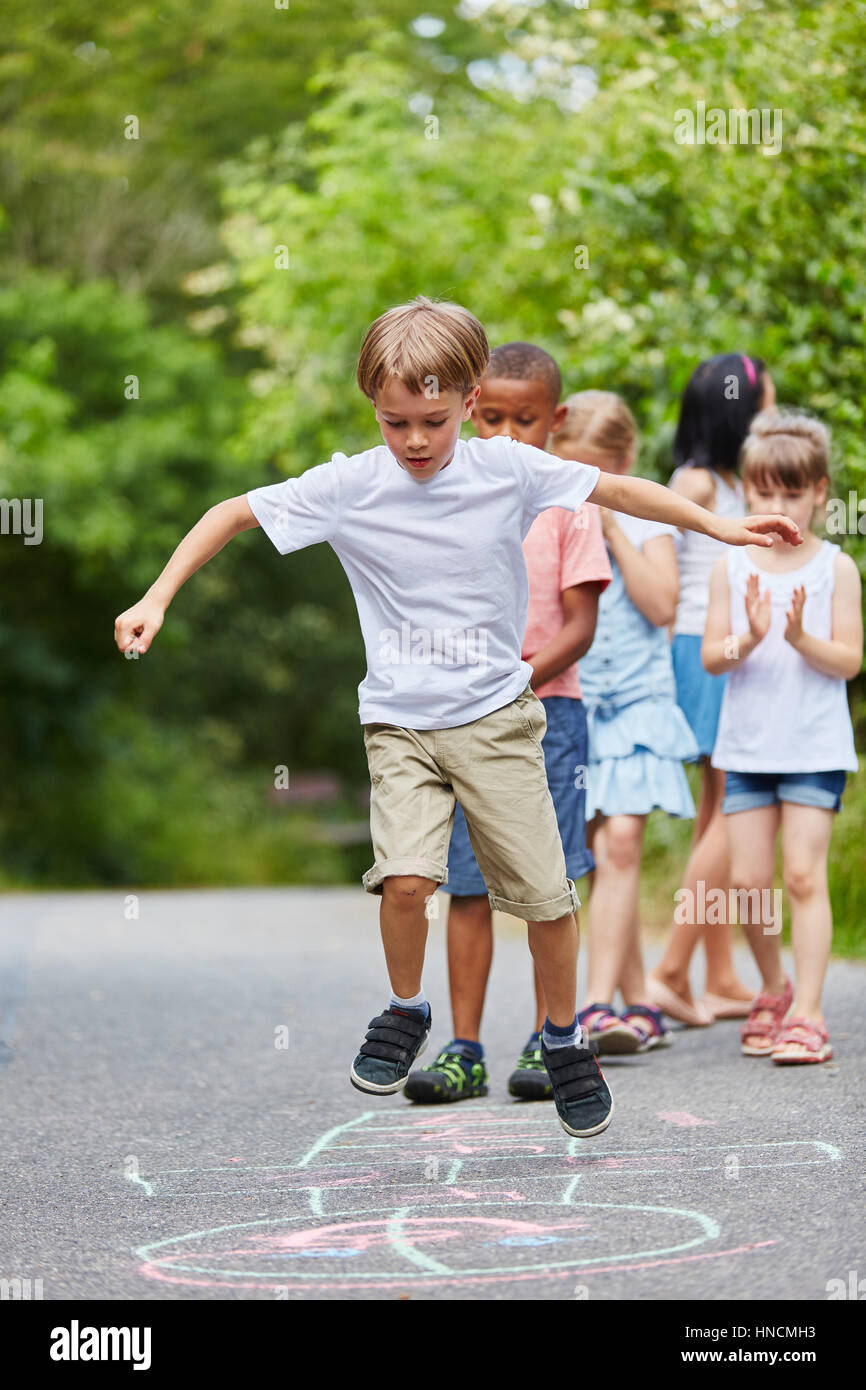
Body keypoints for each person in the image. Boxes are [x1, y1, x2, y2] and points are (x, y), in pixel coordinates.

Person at [113, 296, 799, 1138]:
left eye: (432, 422)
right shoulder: (350, 485)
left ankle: (561, 1037)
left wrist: (716, 526)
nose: (412, 441)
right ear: (374, 410)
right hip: (399, 723)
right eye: (394, 422)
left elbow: (619, 487)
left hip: (497, 718)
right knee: (406, 882)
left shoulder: (507, 469)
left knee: (547, 898)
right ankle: (407, 1011)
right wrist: (156, 596)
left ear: (470, 403)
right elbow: (231, 513)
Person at [403, 345, 611, 1105]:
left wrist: (517, 677)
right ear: (467, 411)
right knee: (464, 883)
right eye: (491, 417)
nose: (506, 433)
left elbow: (582, 624)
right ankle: (463, 1050)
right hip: (458, 714)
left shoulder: (568, 505)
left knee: (546, 886)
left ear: (555, 421)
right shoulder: (452, 497)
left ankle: (549, 1036)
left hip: (547, 712)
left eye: (525, 420)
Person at [702, 410, 861, 1063]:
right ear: (745, 490)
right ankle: (773, 987)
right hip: (746, 748)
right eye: (764, 491)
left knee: (801, 874)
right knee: (745, 881)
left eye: (792, 491)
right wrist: (753, 636)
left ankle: (809, 1012)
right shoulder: (731, 566)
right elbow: (713, 655)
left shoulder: (836, 568)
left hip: (814, 748)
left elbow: (850, 660)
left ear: (820, 491)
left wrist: (797, 637)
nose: (778, 504)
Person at [551, 392, 699, 1054]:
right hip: (580, 707)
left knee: (621, 850)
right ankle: (640, 1002)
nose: (583, 488)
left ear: (624, 463)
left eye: (595, 475)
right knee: (592, 862)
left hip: (637, 707)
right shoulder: (550, 515)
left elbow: (662, 603)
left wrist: (609, 525)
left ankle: (593, 1006)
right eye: (570, 471)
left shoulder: (643, 520)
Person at [647, 353, 777, 1026]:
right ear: (735, 411)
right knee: (733, 811)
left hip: (724, 652)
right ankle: (670, 970)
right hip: (703, 653)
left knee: (714, 815)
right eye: (766, 407)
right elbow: (653, 550)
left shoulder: (727, 480)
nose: (772, 418)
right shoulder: (694, 481)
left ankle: (721, 975)